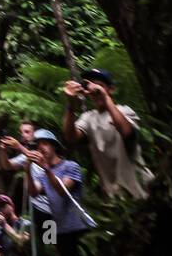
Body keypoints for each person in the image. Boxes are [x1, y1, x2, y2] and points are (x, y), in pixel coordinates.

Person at [62, 68, 154, 200]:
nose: (95, 90)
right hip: (117, 197)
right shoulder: (88, 118)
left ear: (111, 89)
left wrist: (104, 97)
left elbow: (126, 132)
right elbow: (70, 137)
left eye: (99, 85)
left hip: (143, 186)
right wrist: (71, 105)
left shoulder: (124, 110)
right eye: (91, 85)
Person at [26, 128, 95, 256]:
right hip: (61, 232)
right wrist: (27, 170)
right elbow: (33, 193)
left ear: (54, 146)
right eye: (38, 146)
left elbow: (62, 191)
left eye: (44, 143)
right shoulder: (42, 176)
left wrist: (46, 168)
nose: (40, 148)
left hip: (80, 229)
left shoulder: (71, 166)